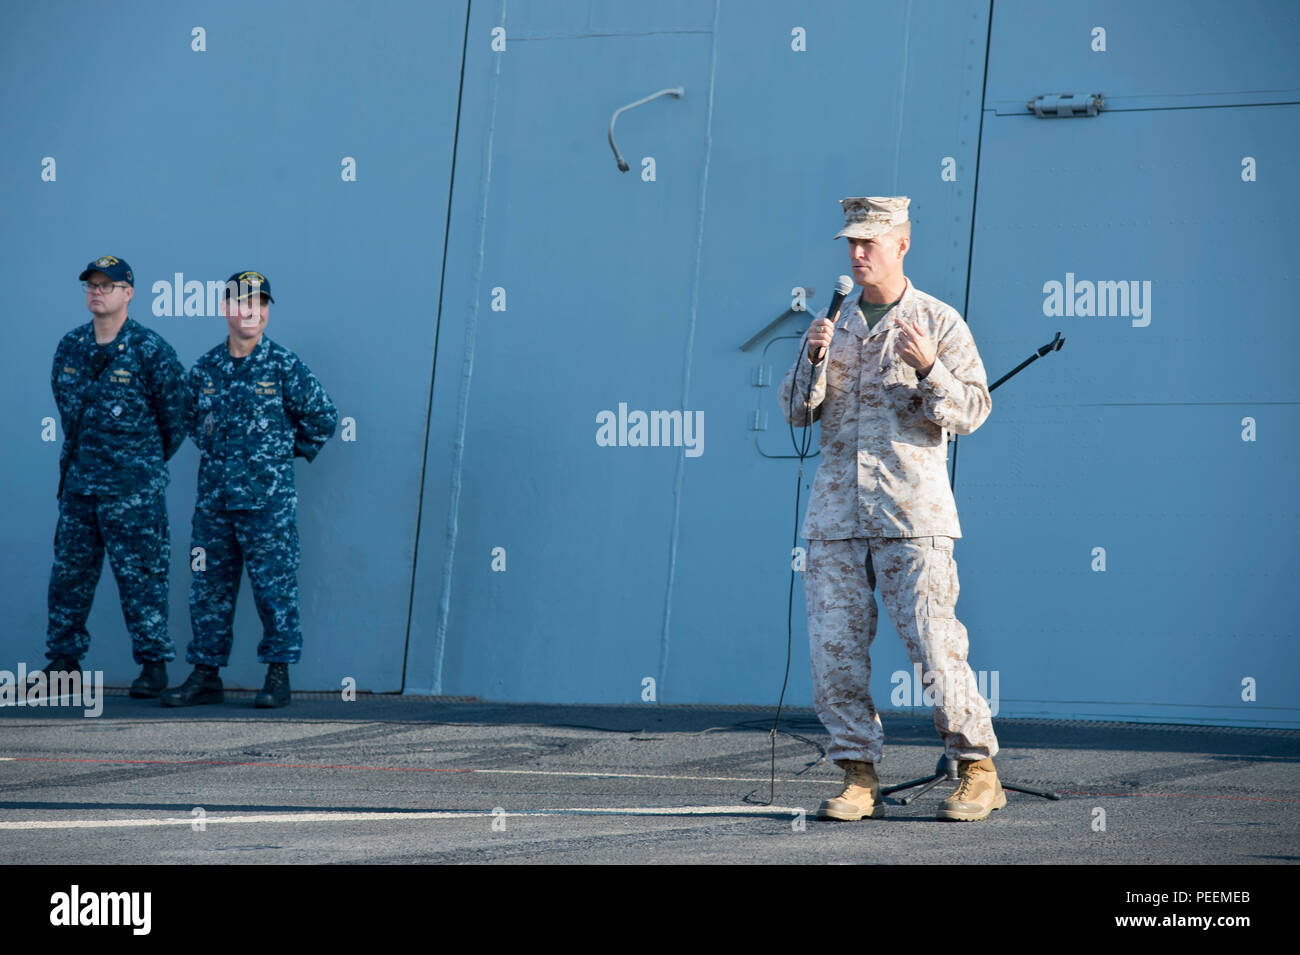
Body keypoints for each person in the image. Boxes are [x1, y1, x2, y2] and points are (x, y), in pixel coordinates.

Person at [778, 197, 1003, 822]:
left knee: (934, 647)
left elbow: (972, 412)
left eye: (870, 243)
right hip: (837, 520)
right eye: (851, 243)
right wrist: (813, 358)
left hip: (912, 516)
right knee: (835, 652)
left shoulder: (938, 321)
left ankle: (978, 768)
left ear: (902, 245)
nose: (857, 254)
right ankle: (857, 774)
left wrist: (930, 366)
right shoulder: (833, 323)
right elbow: (797, 413)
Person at [162, 271, 337, 709]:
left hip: (267, 506)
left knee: (274, 590)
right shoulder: (205, 369)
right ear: (225, 309)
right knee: (207, 590)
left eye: (260, 303)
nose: (251, 311)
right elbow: (189, 422)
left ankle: (278, 675)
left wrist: (278, 457)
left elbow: (323, 417)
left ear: (267, 310)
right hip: (215, 505)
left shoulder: (283, 366)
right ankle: (205, 674)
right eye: (242, 302)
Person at [43, 255, 186, 698]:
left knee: (142, 576)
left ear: (129, 293)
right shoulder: (70, 347)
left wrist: (138, 464)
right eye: (91, 284)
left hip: (133, 491)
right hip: (81, 487)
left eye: (108, 285)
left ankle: (152, 666)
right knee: (69, 577)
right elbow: (66, 410)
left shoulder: (151, 350)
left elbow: (175, 419)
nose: (97, 291)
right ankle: (63, 665)